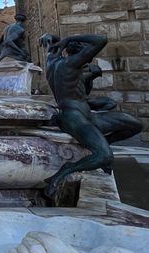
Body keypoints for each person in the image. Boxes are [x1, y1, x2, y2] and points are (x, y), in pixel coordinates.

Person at [39, 34, 143, 197]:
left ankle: (99, 145)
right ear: (79, 51)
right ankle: (64, 172)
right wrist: (68, 38)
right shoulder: (73, 63)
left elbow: (49, 44)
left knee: (135, 125)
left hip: (86, 115)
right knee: (105, 156)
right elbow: (101, 40)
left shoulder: (51, 61)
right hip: (73, 117)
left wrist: (50, 38)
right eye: (85, 50)